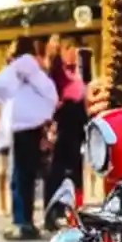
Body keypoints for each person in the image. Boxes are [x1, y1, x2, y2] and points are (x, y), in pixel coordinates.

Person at [0, 37, 58, 240]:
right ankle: (27, 222)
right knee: (28, 178)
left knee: (19, 178)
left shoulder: (19, 68)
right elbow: (52, 96)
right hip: (33, 129)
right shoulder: (36, 73)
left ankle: (21, 223)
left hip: (21, 130)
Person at [44, 43, 88, 216]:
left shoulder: (75, 73)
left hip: (77, 126)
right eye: (69, 49)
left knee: (75, 169)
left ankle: (73, 207)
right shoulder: (57, 74)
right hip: (64, 125)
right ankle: (53, 209)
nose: (73, 54)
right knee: (58, 169)